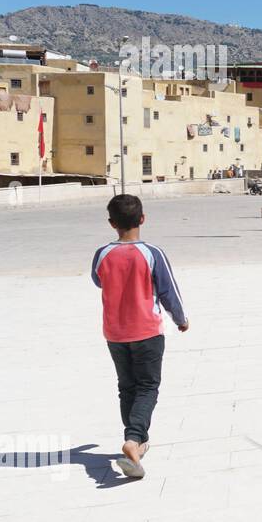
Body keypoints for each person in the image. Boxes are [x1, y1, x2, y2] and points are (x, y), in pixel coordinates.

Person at [91, 195, 188, 479]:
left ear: (112, 223)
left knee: (127, 387)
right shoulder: (152, 253)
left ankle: (138, 444)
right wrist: (180, 319)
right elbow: (169, 290)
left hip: (115, 333)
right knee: (147, 386)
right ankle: (133, 440)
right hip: (146, 331)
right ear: (143, 219)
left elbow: (98, 280)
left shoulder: (102, 254)